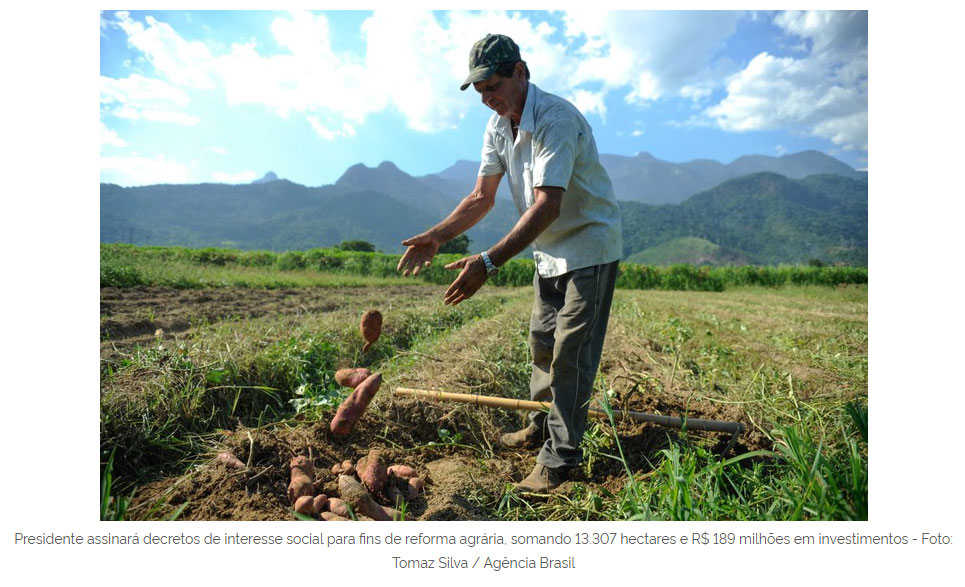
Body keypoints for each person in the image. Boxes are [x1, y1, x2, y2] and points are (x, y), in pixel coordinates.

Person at [397, 33, 622, 492]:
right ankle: (542, 423)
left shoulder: (556, 119)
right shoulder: (499, 125)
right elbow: (481, 197)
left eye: (493, 86)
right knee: (542, 343)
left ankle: (559, 459)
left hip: (589, 247)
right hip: (548, 251)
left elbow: (548, 205)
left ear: (520, 72)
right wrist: (438, 236)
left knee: (571, 354)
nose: (487, 98)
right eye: (480, 91)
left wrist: (488, 262)